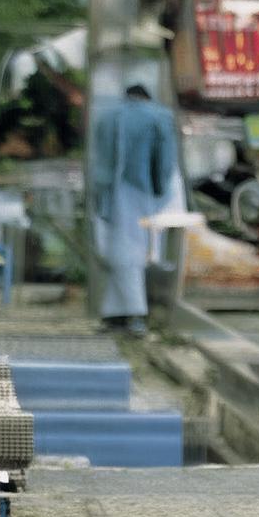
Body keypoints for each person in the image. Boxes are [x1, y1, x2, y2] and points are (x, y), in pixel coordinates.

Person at [92, 84, 178, 336]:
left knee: (116, 251)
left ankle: (115, 314)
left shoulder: (107, 117)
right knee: (134, 253)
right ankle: (134, 314)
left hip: (107, 193)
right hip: (141, 191)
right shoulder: (159, 116)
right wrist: (161, 192)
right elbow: (165, 161)